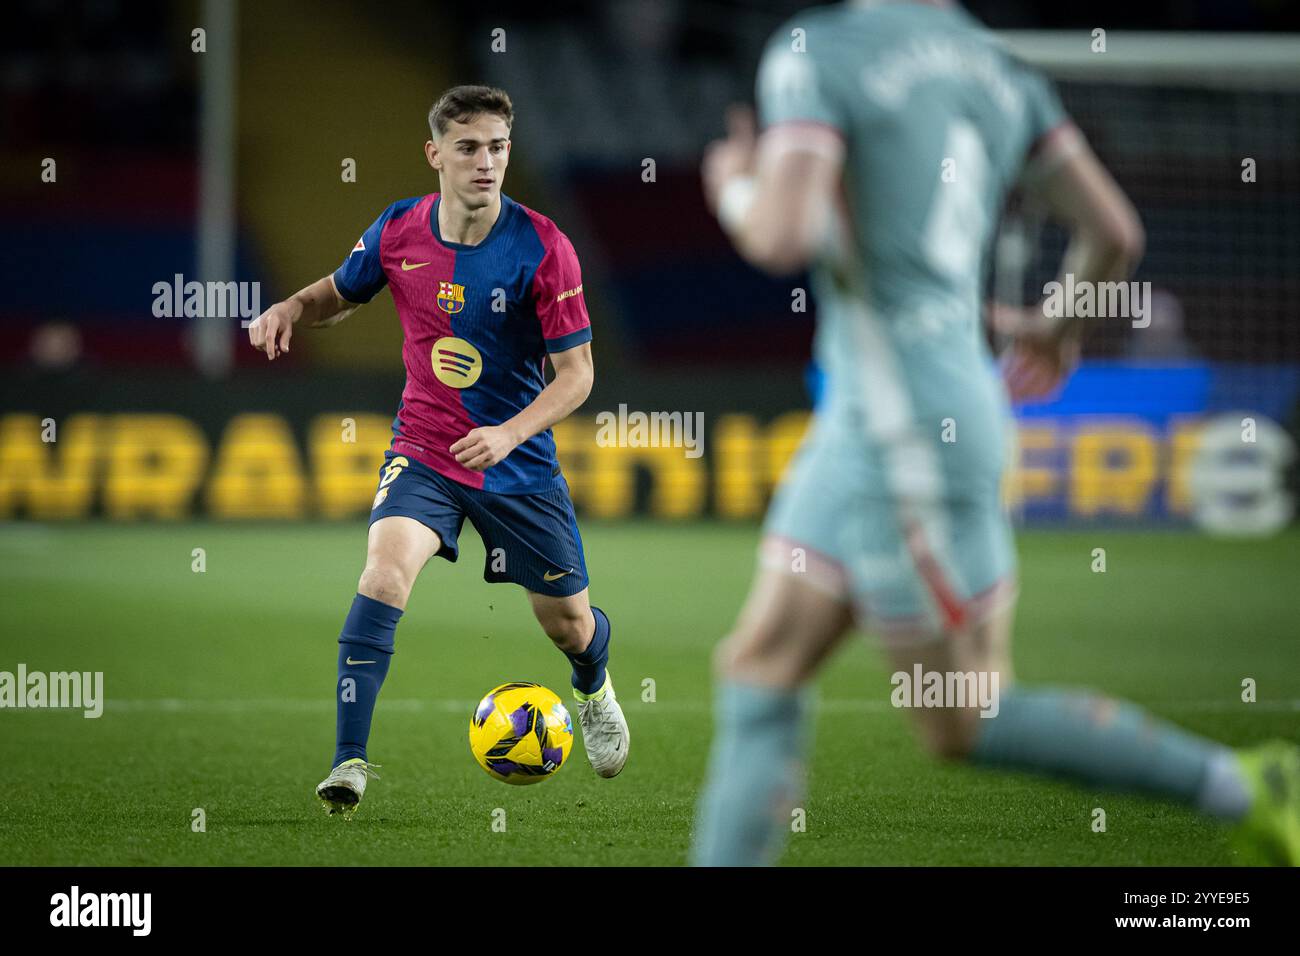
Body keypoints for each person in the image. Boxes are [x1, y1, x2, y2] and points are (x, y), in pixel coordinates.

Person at [690, 0, 1297, 865]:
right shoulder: (995, 66)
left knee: (966, 717)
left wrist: (732, 183)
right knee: (759, 667)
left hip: (898, 431)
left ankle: (1246, 787)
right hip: (919, 408)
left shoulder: (816, 52)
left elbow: (781, 236)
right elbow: (1115, 232)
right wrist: (1060, 326)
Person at [248, 85, 629, 816]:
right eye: (468, 148)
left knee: (570, 625)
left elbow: (578, 375)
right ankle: (349, 763)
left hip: (517, 464)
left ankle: (594, 685)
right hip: (425, 448)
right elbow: (339, 292)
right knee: (384, 575)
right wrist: (292, 306)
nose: (486, 163)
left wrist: (512, 431)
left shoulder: (544, 246)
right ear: (435, 155)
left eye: (498, 148)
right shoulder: (398, 230)